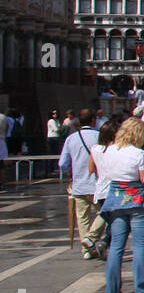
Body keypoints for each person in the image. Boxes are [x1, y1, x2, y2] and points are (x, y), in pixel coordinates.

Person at [90, 117, 144, 293]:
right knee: (140, 244)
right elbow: (143, 179)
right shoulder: (138, 154)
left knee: (117, 245)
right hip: (137, 198)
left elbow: (107, 174)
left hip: (115, 197)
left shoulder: (110, 150)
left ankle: (112, 287)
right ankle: (141, 287)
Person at [59, 108, 107, 259]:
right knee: (105, 213)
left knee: (82, 218)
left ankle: (86, 250)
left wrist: (70, 171)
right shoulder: (99, 136)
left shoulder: (71, 139)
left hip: (79, 185)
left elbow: (63, 163)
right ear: (93, 120)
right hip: (97, 184)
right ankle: (91, 239)